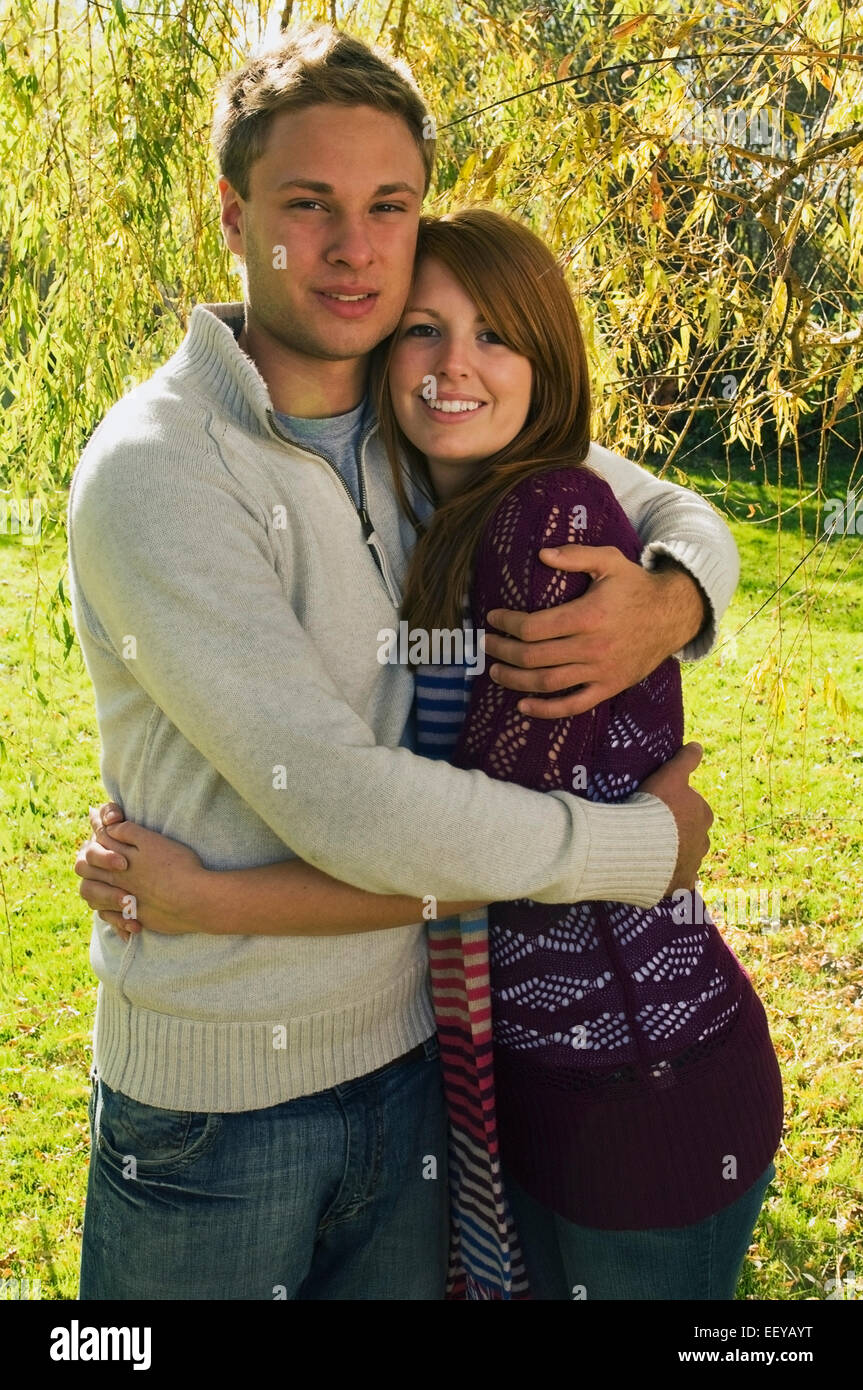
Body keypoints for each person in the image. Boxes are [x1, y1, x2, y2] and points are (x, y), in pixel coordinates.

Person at [69, 25, 735, 1301]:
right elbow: (344, 801)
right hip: (223, 1109)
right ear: (232, 213)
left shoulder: (413, 405)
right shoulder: (161, 469)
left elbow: (666, 504)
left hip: (418, 1055)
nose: (354, 248)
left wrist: (672, 597)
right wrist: (631, 849)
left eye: (388, 206)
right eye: (306, 205)